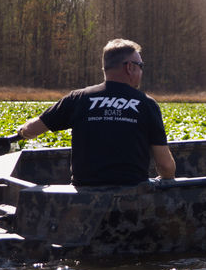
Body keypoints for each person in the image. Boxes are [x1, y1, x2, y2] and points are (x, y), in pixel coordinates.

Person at [16, 38, 176, 185]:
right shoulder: (146, 104)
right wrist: (164, 179)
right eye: (140, 66)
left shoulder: (78, 98)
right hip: (131, 203)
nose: (141, 71)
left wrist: (21, 132)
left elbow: (31, 130)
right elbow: (166, 166)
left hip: (84, 203)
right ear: (129, 67)